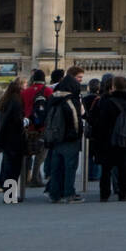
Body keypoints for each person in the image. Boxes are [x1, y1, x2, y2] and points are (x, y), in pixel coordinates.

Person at [88, 76, 126, 201]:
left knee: (106, 169)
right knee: (123, 167)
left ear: (114, 87)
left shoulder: (107, 101)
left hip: (108, 139)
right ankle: (123, 193)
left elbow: (101, 122)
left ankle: (105, 194)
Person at [44, 68, 85, 203]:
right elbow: (75, 119)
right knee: (70, 167)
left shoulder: (53, 97)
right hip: (68, 137)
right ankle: (69, 193)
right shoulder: (70, 99)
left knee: (56, 167)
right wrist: (78, 134)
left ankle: (54, 194)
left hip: (55, 137)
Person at [0, 77, 27, 198]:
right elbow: (17, 120)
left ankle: (8, 193)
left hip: (6, 138)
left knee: (8, 167)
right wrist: (26, 121)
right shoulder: (16, 101)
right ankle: (10, 196)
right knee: (13, 169)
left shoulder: (6, 100)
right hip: (14, 139)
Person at [21, 70, 53, 187]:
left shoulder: (25, 92)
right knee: (41, 154)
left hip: (28, 126)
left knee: (27, 153)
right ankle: (35, 178)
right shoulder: (48, 90)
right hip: (42, 127)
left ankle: (25, 178)